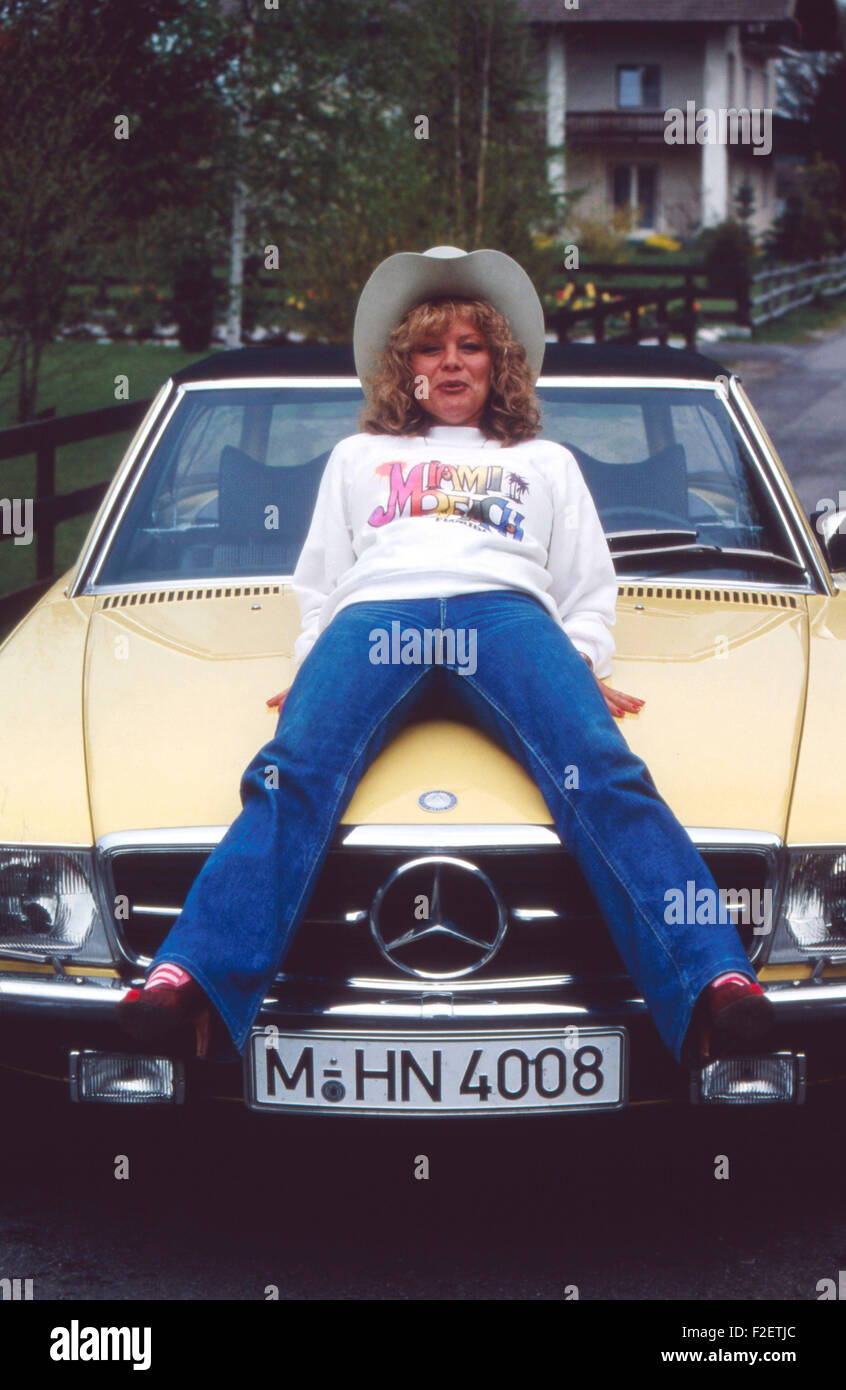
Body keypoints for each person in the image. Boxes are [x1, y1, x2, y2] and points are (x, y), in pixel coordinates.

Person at [117, 244, 773, 1068]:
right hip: (377, 615)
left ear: (501, 365)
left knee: (601, 769)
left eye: (472, 345)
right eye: (431, 347)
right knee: (292, 773)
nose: (452, 362)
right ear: (405, 368)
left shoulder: (544, 463)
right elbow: (320, 578)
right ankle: (187, 977)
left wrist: (573, 663)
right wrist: (316, 663)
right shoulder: (360, 458)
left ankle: (713, 976)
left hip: (503, 615)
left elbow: (587, 588)